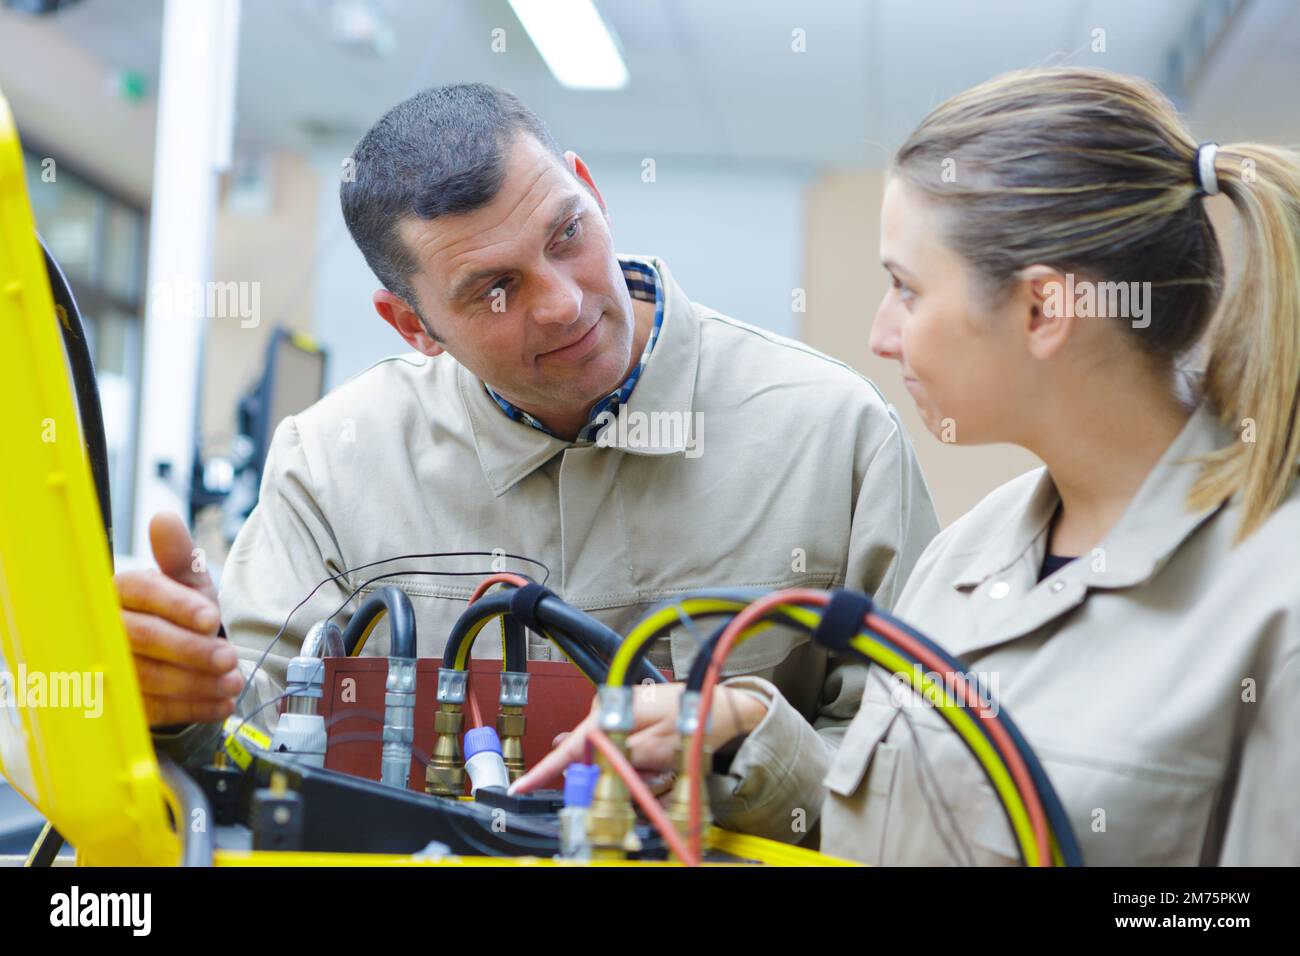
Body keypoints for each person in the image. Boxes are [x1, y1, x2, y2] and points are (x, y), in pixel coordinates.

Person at [116, 84, 940, 840]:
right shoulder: (332, 467)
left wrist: (745, 741)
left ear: (589, 188)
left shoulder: (834, 434)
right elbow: (252, 752)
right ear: (411, 324)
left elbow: (932, 782)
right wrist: (179, 702)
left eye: (567, 233)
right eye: (494, 289)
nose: (564, 302)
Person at [520, 66, 1300, 864]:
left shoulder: (1274, 603)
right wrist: (747, 735)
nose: (881, 335)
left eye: (906, 289)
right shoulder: (970, 554)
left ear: (1043, 310)